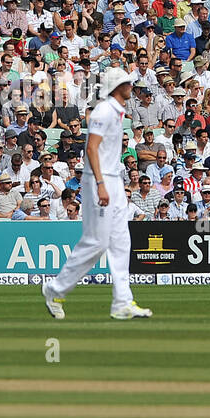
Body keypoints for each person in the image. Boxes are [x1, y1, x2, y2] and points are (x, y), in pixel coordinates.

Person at [41, 68, 152, 320]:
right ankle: (55, 289)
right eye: (126, 83)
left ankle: (122, 302)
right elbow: (91, 148)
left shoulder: (115, 110)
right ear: (115, 87)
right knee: (97, 242)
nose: (130, 87)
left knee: (122, 241)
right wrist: (101, 183)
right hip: (99, 180)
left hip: (112, 179)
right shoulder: (103, 111)